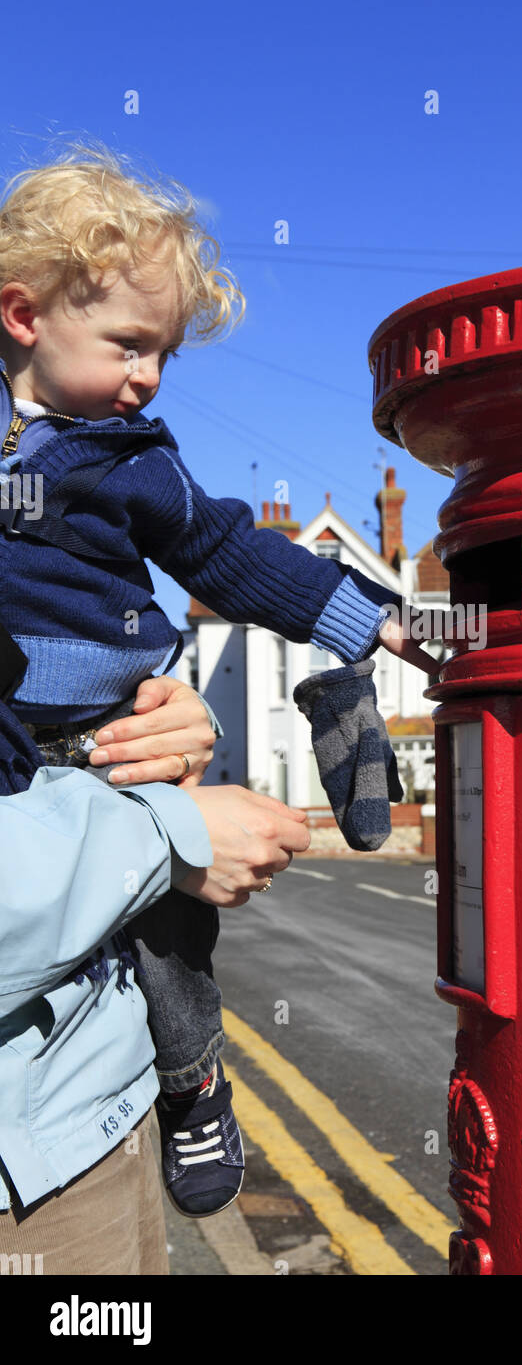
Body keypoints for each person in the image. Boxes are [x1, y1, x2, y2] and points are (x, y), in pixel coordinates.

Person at [0, 139, 441, 1219]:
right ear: (24, 316)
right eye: (127, 343)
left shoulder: (132, 456)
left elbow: (228, 555)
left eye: (165, 353)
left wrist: (370, 621)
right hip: (22, 737)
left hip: (122, 711)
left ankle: (195, 1082)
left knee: (165, 927)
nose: (148, 374)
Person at [0, 672, 311, 1274]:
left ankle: (187, 1078)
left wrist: (169, 724)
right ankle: (191, 1077)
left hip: (104, 1113)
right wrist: (169, 835)